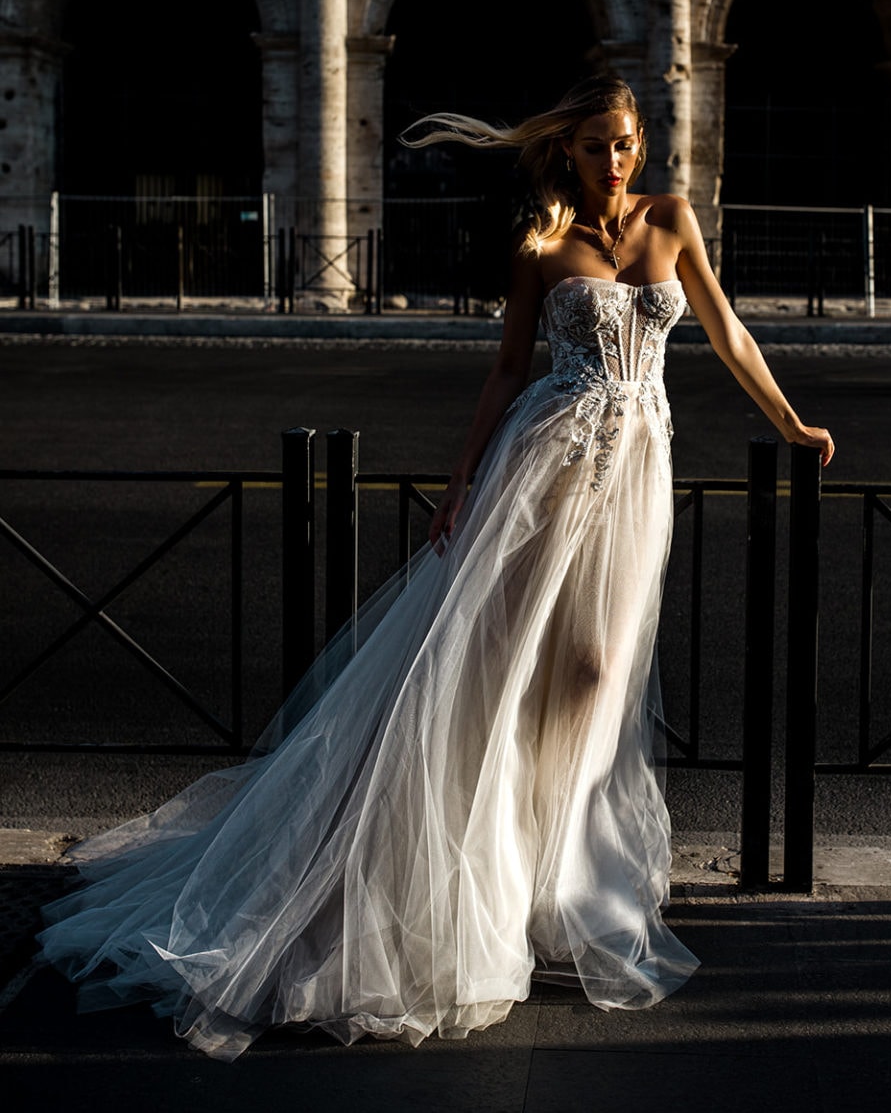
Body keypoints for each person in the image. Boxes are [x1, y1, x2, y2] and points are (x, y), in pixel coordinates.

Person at [37, 76, 833, 1062]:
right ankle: (450, 878)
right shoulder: (541, 246)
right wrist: (460, 486)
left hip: (636, 476)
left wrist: (789, 421)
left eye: (626, 143)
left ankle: (554, 881)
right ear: (565, 153)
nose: (616, 160)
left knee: (593, 679)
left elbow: (725, 330)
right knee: (489, 675)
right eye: (596, 146)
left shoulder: (672, 219)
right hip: (541, 473)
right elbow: (507, 371)